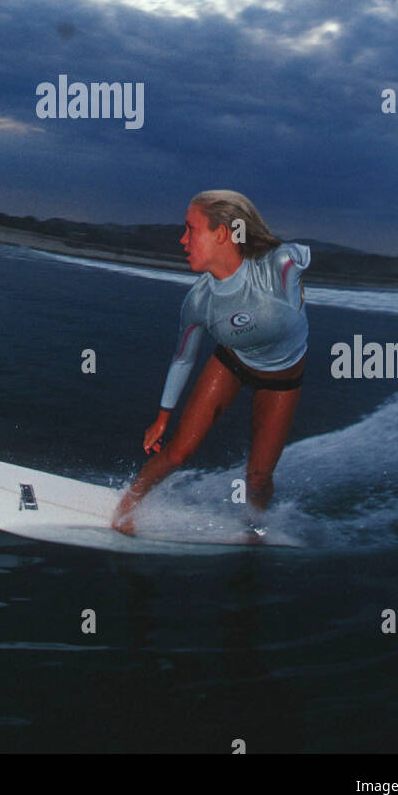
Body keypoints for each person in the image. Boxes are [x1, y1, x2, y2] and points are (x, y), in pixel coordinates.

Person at [111, 190, 310, 536]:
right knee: (177, 453)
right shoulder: (199, 301)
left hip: (281, 377)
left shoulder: (276, 267)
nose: (182, 238)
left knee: (259, 476)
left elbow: (299, 255)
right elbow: (183, 357)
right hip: (232, 362)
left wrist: (292, 277)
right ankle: (126, 507)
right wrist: (162, 417)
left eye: (190, 229)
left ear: (221, 234)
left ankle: (254, 529)